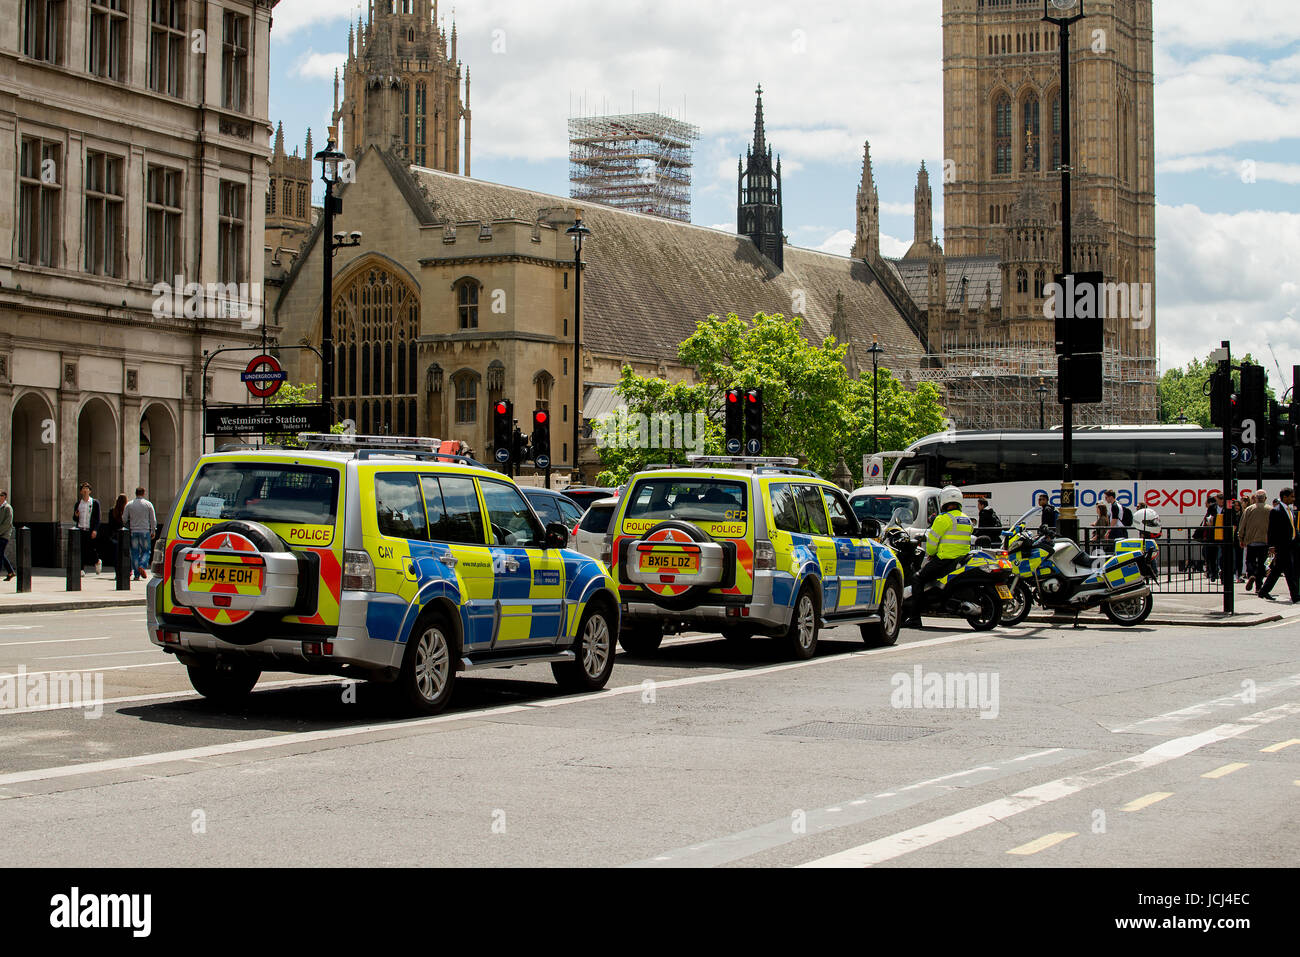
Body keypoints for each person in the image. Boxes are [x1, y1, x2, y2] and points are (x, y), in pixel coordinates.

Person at [915, 486, 974, 593]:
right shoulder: (967, 519)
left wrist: (931, 553)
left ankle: (916, 609)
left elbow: (932, 544)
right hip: (962, 559)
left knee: (918, 578)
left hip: (944, 560)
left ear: (943, 501)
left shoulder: (942, 518)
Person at [1257, 488, 1298, 602]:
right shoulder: (1276, 511)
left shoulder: (1290, 510)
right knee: (1290, 571)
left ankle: (1263, 591)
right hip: (1282, 546)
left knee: (1276, 570)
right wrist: (1271, 546)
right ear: (1285, 497)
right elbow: (1272, 530)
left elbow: (1293, 528)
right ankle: (1295, 596)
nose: (1293, 499)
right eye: (1291, 496)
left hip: (1291, 545)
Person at [122, 487, 158, 582]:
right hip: (145, 531)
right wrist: (153, 530)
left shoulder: (129, 504)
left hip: (134, 531)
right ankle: (142, 565)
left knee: (134, 552)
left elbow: (124, 518)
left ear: (135, 493)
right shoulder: (148, 504)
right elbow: (153, 519)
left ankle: (137, 574)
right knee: (146, 551)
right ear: (144, 493)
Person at [1238, 490, 1270, 592]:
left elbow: (1242, 525)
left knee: (1250, 561)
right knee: (1261, 564)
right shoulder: (1270, 509)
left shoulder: (1249, 509)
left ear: (1255, 499)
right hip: (1265, 541)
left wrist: (1241, 538)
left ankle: (1252, 575)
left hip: (1251, 541)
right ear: (1265, 499)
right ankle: (1259, 586)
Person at [72, 482, 102, 575]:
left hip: (90, 529)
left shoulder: (94, 503)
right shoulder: (78, 504)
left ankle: (97, 561)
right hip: (81, 528)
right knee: (81, 550)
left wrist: (95, 530)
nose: (85, 490)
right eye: (83, 489)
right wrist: (76, 516)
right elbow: (75, 518)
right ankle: (81, 569)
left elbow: (97, 518)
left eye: (87, 488)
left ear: (90, 491)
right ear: (81, 491)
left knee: (91, 549)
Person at [104, 493, 128, 570]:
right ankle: (127, 570)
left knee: (116, 555)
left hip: (115, 536)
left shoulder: (112, 511)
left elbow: (110, 525)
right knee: (125, 553)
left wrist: (110, 536)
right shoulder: (126, 511)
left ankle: (117, 570)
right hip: (124, 535)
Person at [0, 490, 16, 582]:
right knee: (1, 554)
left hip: (4, 535)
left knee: (0, 554)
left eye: (0, 495)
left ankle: (10, 572)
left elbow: (7, 524)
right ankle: (10, 572)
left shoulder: (7, 508)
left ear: (4, 497)